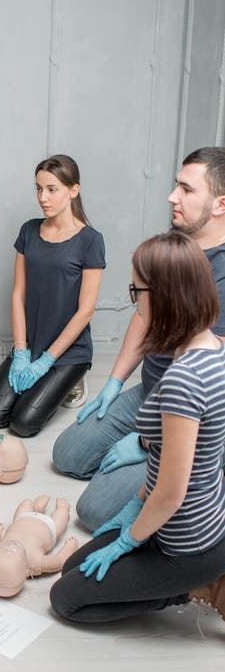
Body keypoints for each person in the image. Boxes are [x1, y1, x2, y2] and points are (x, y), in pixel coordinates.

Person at [50, 232, 225, 625]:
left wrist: (129, 539)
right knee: (72, 569)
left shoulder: (185, 378)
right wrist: (133, 507)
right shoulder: (212, 347)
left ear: (163, 296)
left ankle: (197, 589)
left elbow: (171, 493)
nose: (135, 300)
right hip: (183, 519)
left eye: (136, 290)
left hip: (184, 546)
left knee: (66, 600)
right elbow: (165, 460)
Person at [53, 147, 225, 531]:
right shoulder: (176, 243)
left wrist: (150, 444)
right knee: (67, 455)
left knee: (94, 511)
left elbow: (209, 381)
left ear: (219, 204)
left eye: (186, 189)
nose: (172, 197)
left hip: (193, 410)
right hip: (153, 390)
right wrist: (114, 382)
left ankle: (203, 475)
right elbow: (143, 314)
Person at [0, 154, 105, 437]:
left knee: (23, 424)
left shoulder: (90, 240)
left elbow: (85, 311)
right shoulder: (29, 231)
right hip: (30, 345)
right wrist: (22, 350)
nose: (43, 197)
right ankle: (41, 369)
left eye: (52, 189)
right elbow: (18, 295)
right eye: (38, 188)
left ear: (73, 190)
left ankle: (73, 379)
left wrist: (47, 360)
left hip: (68, 351)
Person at [0, 496, 78, 598]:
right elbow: (59, 561)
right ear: (25, 572)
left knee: (26, 503)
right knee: (61, 516)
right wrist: (69, 547)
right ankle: (63, 508)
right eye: (13, 555)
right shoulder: (34, 562)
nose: (10, 549)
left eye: (4, 553)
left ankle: (37, 507)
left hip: (22, 518)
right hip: (50, 526)